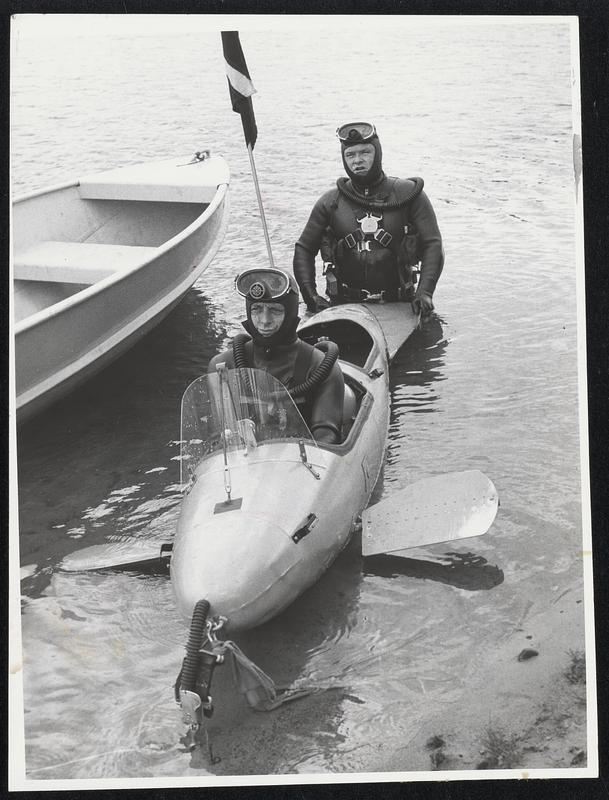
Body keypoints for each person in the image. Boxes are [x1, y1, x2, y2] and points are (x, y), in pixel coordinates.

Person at [293, 121, 444, 315]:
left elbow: (433, 244)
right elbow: (304, 248)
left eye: (365, 152)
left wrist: (425, 293)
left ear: (378, 153)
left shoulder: (409, 195)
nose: (357, 160)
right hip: (343, 303)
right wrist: (311, 296)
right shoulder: (330, 202)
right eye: (350, 155)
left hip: (401, 303)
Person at [208, 267, 345, 445]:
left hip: (304, 459)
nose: (265, 320)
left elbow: (327, 438)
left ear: (291, 312)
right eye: (257, 309)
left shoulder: (320, 366)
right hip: (246, 460)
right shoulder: (224, 366)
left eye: (275, 310)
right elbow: (219, 438)